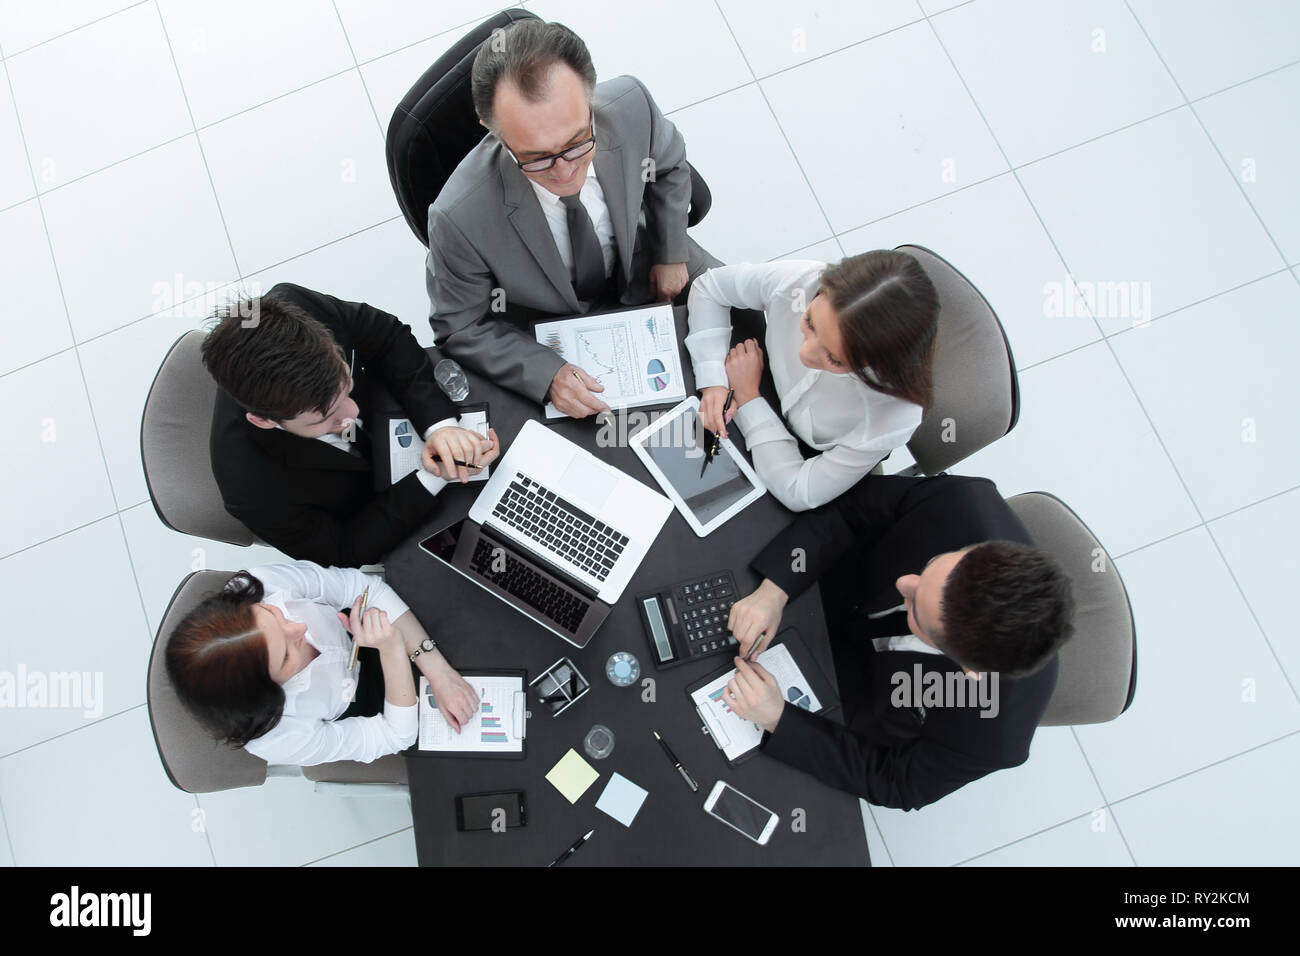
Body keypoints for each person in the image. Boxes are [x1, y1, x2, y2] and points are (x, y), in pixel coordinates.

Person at [720, 474, 1075, 811]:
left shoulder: (997, 732)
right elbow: (850, 506)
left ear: (969, 670)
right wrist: (775, 589)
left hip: (853, 699)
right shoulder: (963, 503)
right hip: (821, 583)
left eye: (915, 610)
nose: (905, 583)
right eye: (932, 567)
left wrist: (780, 719)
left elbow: (896, 781)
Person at [426, 19, 720, 418]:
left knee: (755, 333)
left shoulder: (632, 106)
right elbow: (460, 328)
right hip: (551, 326)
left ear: (590, 95)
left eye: (577, 142)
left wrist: (670, 251)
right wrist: (545, 374)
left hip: (648, 260)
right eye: (535, 157)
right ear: (491, 131)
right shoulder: (456, 218)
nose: (564, 173)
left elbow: (669, 168)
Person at [202, 282, 499, 567]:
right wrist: (432, 477)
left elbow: (387, 336)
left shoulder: (297, 305)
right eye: (324, 418)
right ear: (263, 421)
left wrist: (440, 426)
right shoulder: (248, 490)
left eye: (345, 384)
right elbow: (344, 549)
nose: (351, 412)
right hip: (382, 511)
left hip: (398, 417)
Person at [685, 253, 939, 512]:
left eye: (834, 358)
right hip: (749, 378)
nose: (805, 353)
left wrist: (749, 398)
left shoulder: (892, 417)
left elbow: (798, 491)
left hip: (795, 454)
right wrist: (713, 380)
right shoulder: (802, 279)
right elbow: (710, 287)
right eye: (810, 323)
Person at [166, 562, 479, 766]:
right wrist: (393, 650)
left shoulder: (258, 586)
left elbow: (361, 587)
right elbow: (395, 735)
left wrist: (437, 670)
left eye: (275, 614)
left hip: (375, 623)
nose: (300, 628)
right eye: (287, 655)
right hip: (377, 701)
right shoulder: (278, 736)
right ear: (267, 695)